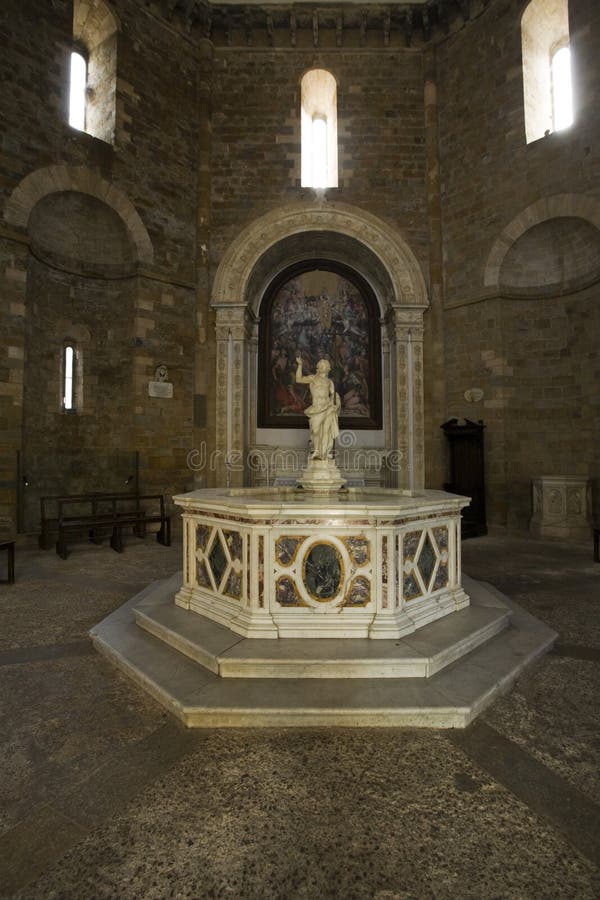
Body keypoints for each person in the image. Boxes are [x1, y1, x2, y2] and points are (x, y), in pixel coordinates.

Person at [295, 357, 341, 460]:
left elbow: (334, 395)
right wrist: (300, 365)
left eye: (323, 365)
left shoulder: (329, 382)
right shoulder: (313, 378)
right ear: (318, 368)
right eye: (320, 365)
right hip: (316, 408)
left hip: (328, 407)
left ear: (327, 368)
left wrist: (336, 405)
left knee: (326, 431)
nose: (321, 366)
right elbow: (298, 379)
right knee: (315, 430)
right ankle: (316, 451)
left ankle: (326, 452)